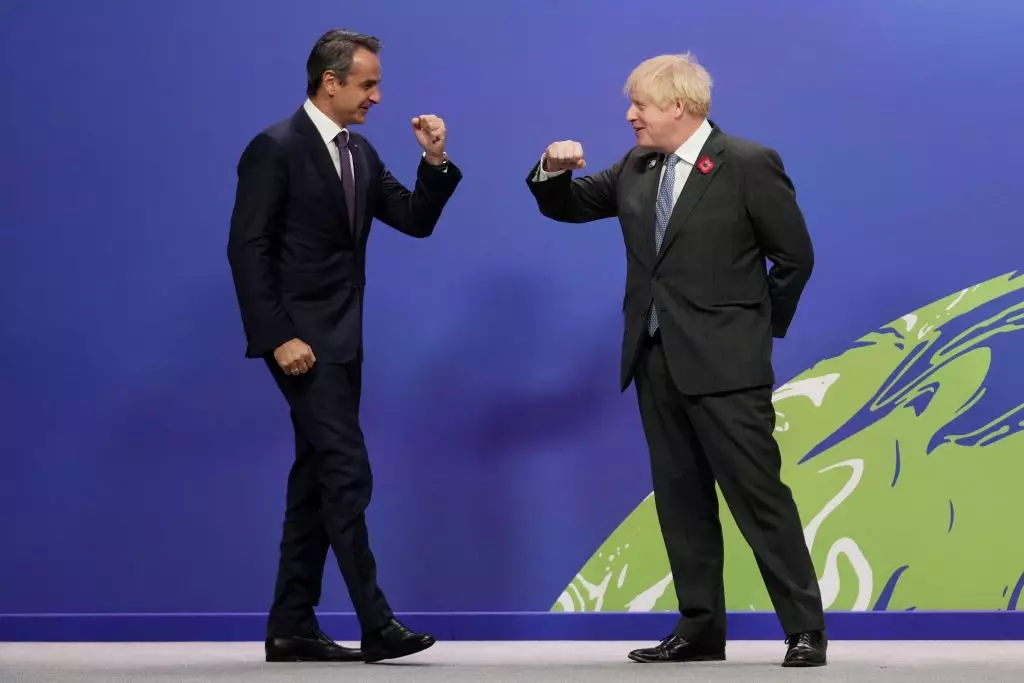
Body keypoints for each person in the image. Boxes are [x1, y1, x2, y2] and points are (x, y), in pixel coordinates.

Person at [525, 53, 827, 668]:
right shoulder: (638, 166)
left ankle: (804, 631)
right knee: (680, 501)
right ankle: (699, 629)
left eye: (640, 104)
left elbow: (794, 257)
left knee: (758, 498)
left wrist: (750, 331)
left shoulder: (747, 163)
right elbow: (567, 206)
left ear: (680, 107)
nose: (630, 115)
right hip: (655, 360)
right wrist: (550, 171)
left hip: (728, 367)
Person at [227, 29, 462, 663]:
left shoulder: (359, 151)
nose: (377, 97)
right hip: (300, 343)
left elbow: (414, 219)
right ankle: (377, 624)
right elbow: (247, 252)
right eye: (367, 84)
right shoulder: (274, 149)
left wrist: (435, 162)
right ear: (329, 82)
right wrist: (279, 336)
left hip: (343, 338)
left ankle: (291, 626)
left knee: (315, 480)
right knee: (346, 472)